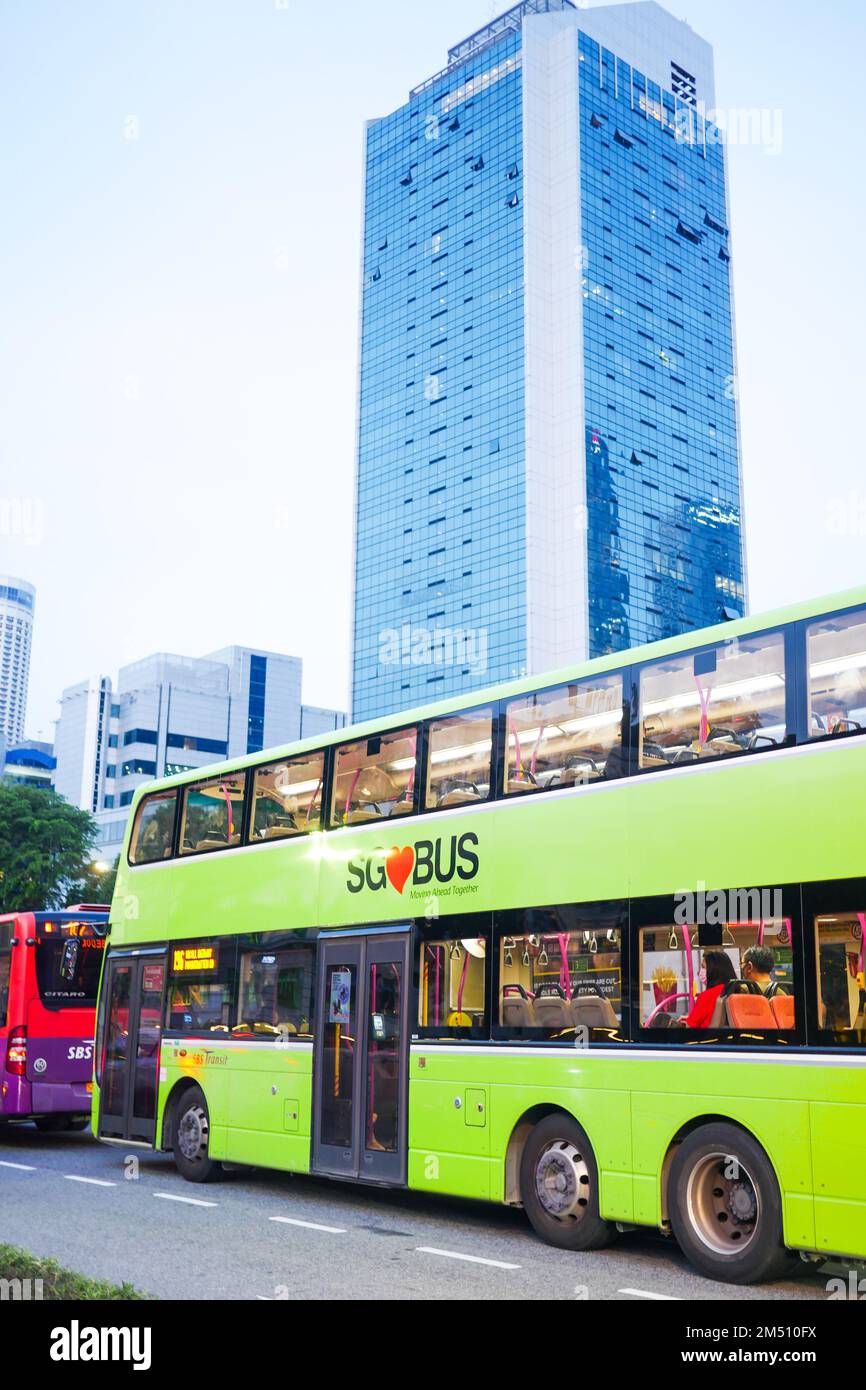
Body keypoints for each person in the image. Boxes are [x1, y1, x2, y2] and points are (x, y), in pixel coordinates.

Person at [681, 951, 738, 1029]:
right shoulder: (738, 990)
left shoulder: (706, 996)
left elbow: (690, 1028)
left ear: (713, 970)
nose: (700, 972)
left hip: (706, 1039)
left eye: (703, 967)